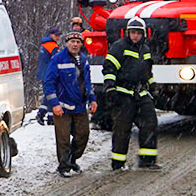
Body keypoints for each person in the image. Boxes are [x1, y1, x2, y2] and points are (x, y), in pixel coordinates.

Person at [103, 19, 159, 170]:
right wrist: (110, 88)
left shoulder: (145, 49)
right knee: (122, 129)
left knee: (150, 123)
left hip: (140, 93)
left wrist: (153, 86)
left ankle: (147, 161)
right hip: (123, 93)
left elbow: (147, 71)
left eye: (138, 33)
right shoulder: (119, 47)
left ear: (143, 34)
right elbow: (109, 68)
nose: (135, 36)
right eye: (132, 33)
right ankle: (118, 163)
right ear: (128, 33)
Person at [42, 31, 96, 175]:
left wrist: (92, 99)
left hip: (80, 106)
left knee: (83, 135)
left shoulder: (83, 60)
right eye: (72, 42)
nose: (75, 44)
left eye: (78, 42)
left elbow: (87, 82)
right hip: (63, 107)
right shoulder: (58, 59)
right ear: (67, 43)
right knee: (63, 139)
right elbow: (49, 83)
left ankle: (73, 160)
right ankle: (64, 166)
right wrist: (54, 104)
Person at [35, 28, 63, 124]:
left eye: (59, 35)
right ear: (51, 35)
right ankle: (51, 117)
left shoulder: (44, 44)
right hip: (49, 73)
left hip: (43, 72)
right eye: (56, 35)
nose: (58, 37)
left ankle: (41, 113)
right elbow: (58, 58)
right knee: (52, 94)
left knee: (48, 94)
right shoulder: (52, 45)